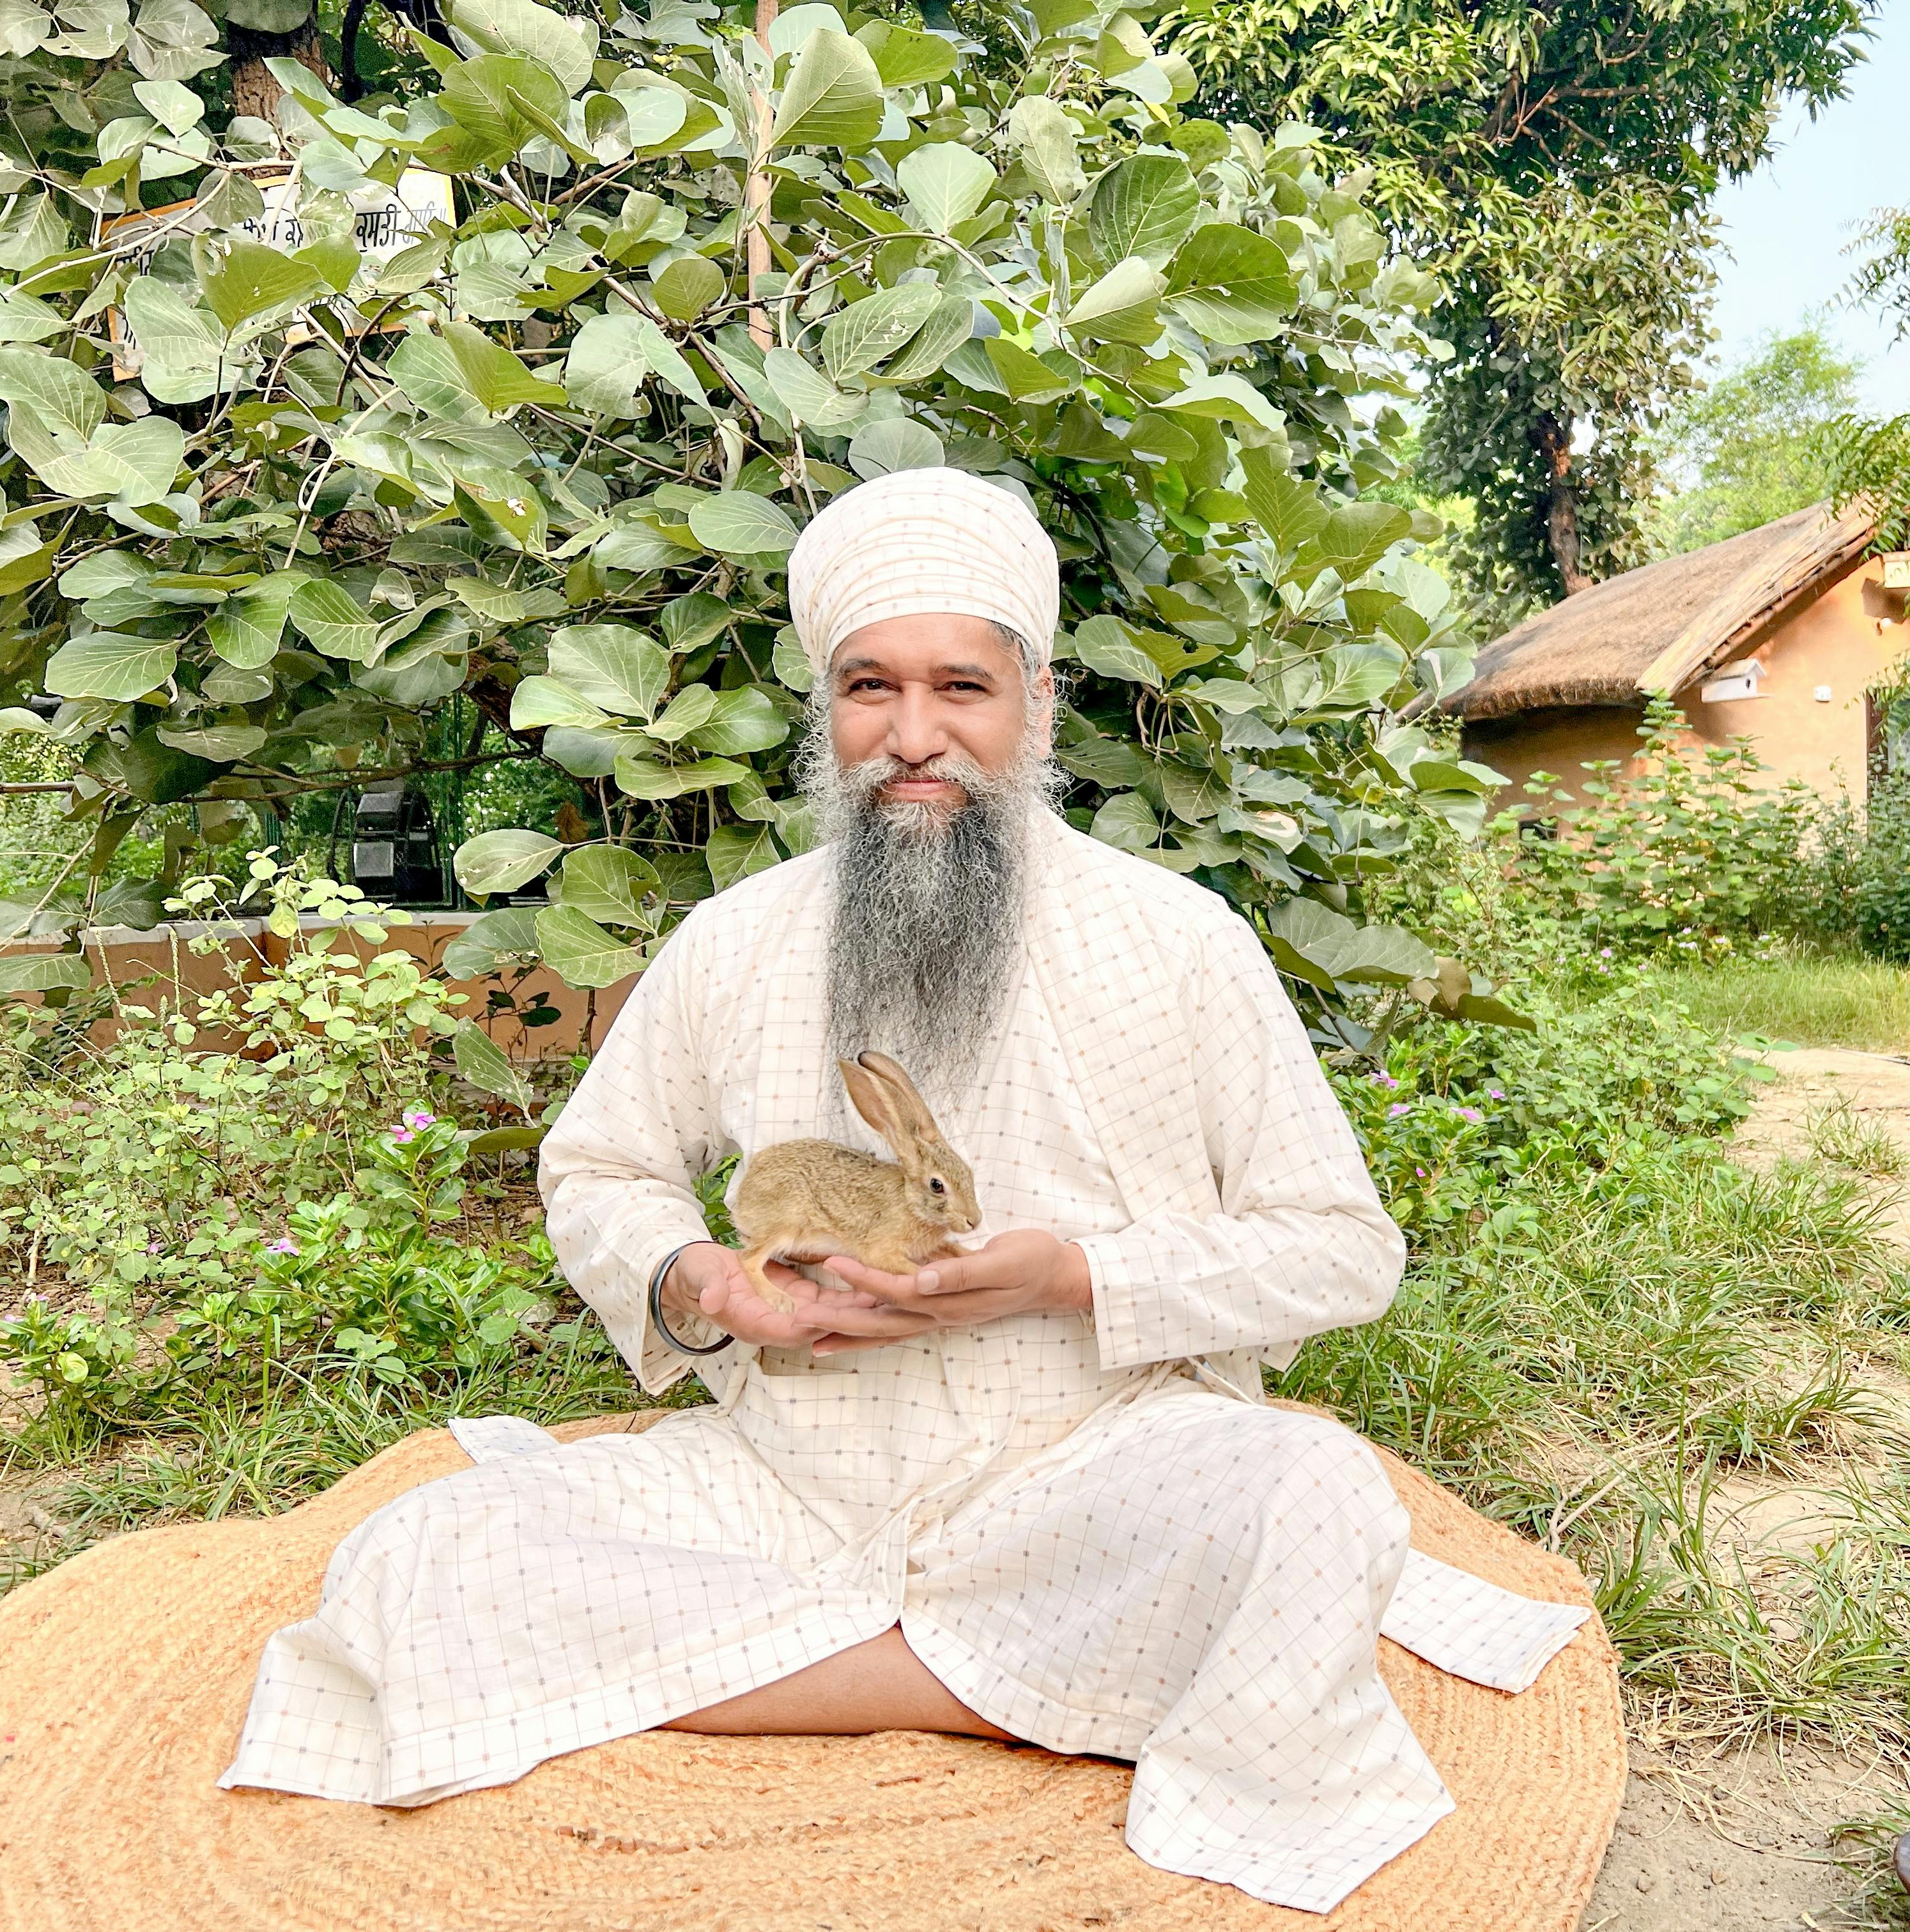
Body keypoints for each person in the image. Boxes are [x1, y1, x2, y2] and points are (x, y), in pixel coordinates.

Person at [222, 469, 1588, 1913]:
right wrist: (710, 1286)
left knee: (1316, 1499)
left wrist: (1076, 1276)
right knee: (416, 1555)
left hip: (1090, 1467)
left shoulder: (1180, 944)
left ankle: (793, 1662)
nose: (915, 738)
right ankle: (1004, 1679)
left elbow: (1340, 1251)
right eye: (871, 688)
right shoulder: (737, 941)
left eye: (962, 688)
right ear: (827, 713)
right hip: (783, 1475)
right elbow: (601, 1171)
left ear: (1037, 704)